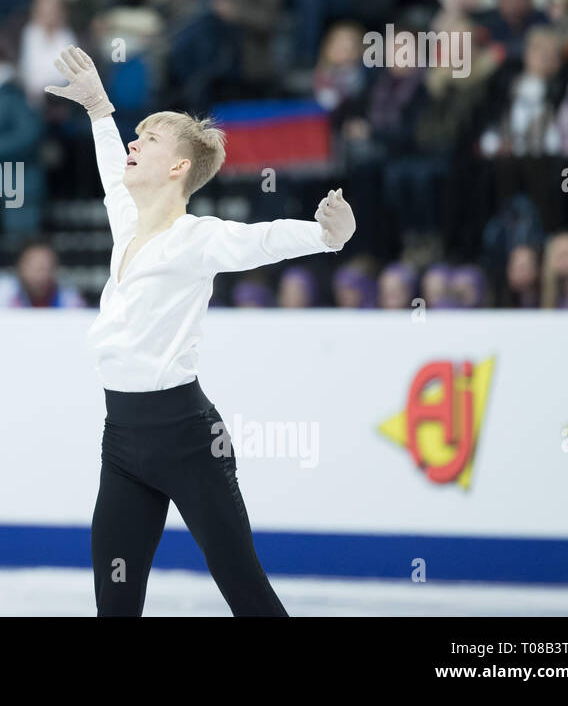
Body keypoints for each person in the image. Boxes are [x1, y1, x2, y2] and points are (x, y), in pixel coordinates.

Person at [44, 45, 356, 617]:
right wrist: (97, 110)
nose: (134, 145)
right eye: (136, 137)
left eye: (150, 140)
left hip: (188, 442)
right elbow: (113, 172)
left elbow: (259, 240)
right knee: (114, 606)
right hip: (123, 445)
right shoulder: (128, 224)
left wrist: (325, 236)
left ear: (179, 168)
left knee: (245, 590)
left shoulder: (196, 239)